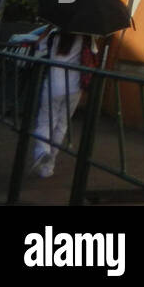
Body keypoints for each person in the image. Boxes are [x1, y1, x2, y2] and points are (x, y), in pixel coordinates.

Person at [29, 29, 99, 179]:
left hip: (54, 85)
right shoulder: (87, 36)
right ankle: (49, 166)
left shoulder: (54, 35)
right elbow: (94, 54)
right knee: (62, 124)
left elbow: (38, 46)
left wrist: (48, 28)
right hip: (74, 88)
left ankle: (42, 151)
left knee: (45, 121)